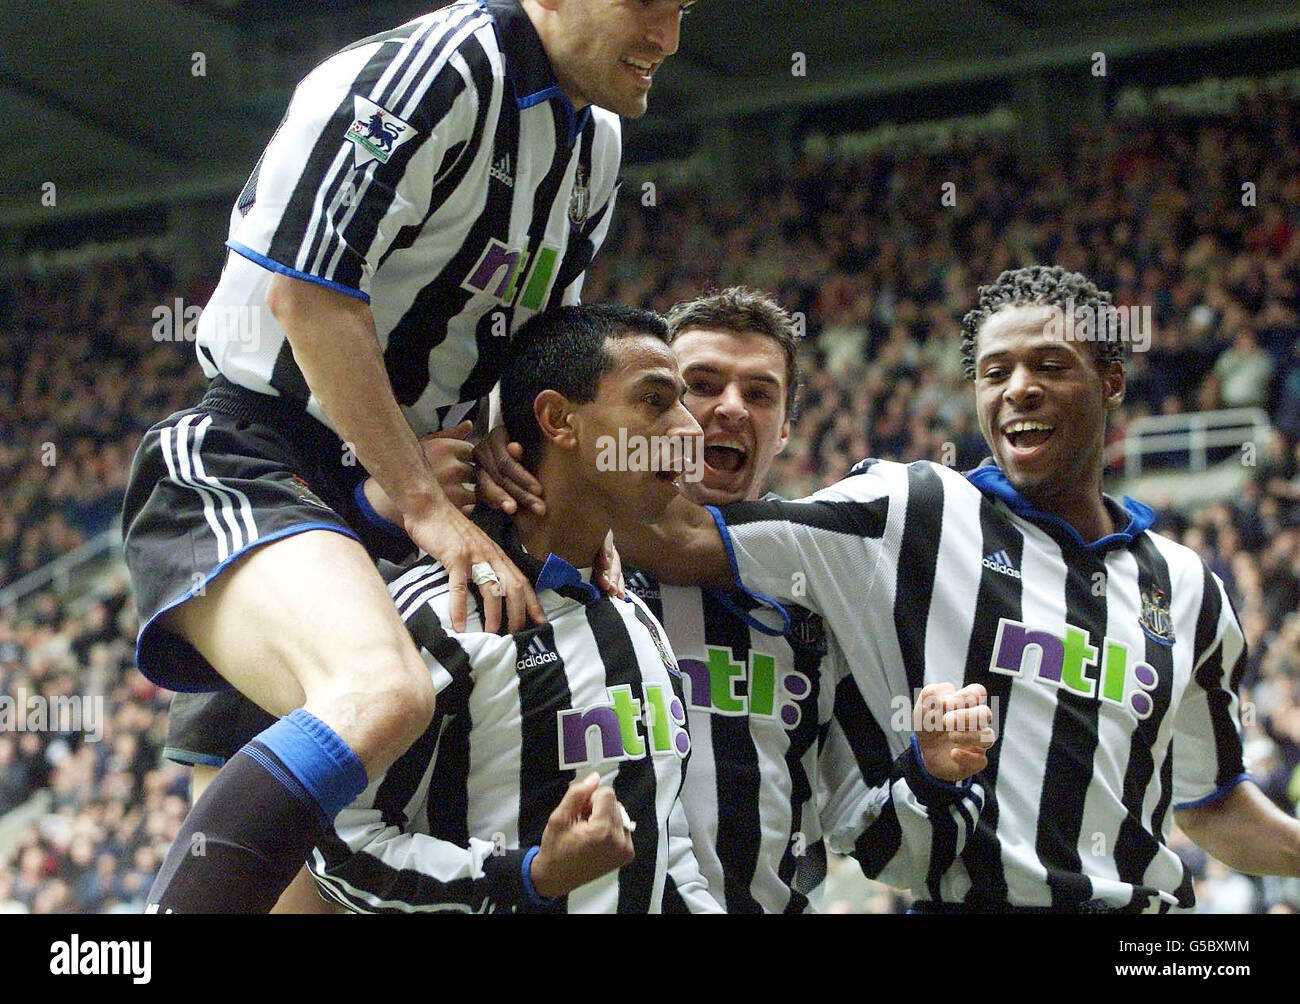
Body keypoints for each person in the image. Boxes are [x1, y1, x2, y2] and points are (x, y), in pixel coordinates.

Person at [126, 0, 692, 913]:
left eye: (683, 9)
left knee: (306, 897)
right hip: (261, 458)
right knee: (379, 693)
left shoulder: (599, 143)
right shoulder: (435, 72)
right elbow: (307, 302)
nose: (667, 39)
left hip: (419, 476)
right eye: (643, 5)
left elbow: (537, 347)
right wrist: (423, 499)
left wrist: (556, 499)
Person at [598, 266, 1300, 912]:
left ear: (1112, 380)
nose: (1019, 387)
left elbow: (1215, 806)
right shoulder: (912, 511)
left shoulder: (1188, 588)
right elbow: (682, 536)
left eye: (1049, 365)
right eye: (996, 372)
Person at [474, 288, 995, 911]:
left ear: (784, 433)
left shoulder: (818, 601)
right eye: (699, 384)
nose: (728, 409)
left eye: (760, 393)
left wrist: (932, 775)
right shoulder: (522, 567)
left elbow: (883, 846)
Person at [310, 304, 718, 912]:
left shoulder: (635, 619)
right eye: (655, 401)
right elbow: (338, 850)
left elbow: (664, 840)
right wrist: (528, 877)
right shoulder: (433, 616)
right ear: (559, 420)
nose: (691, 430)